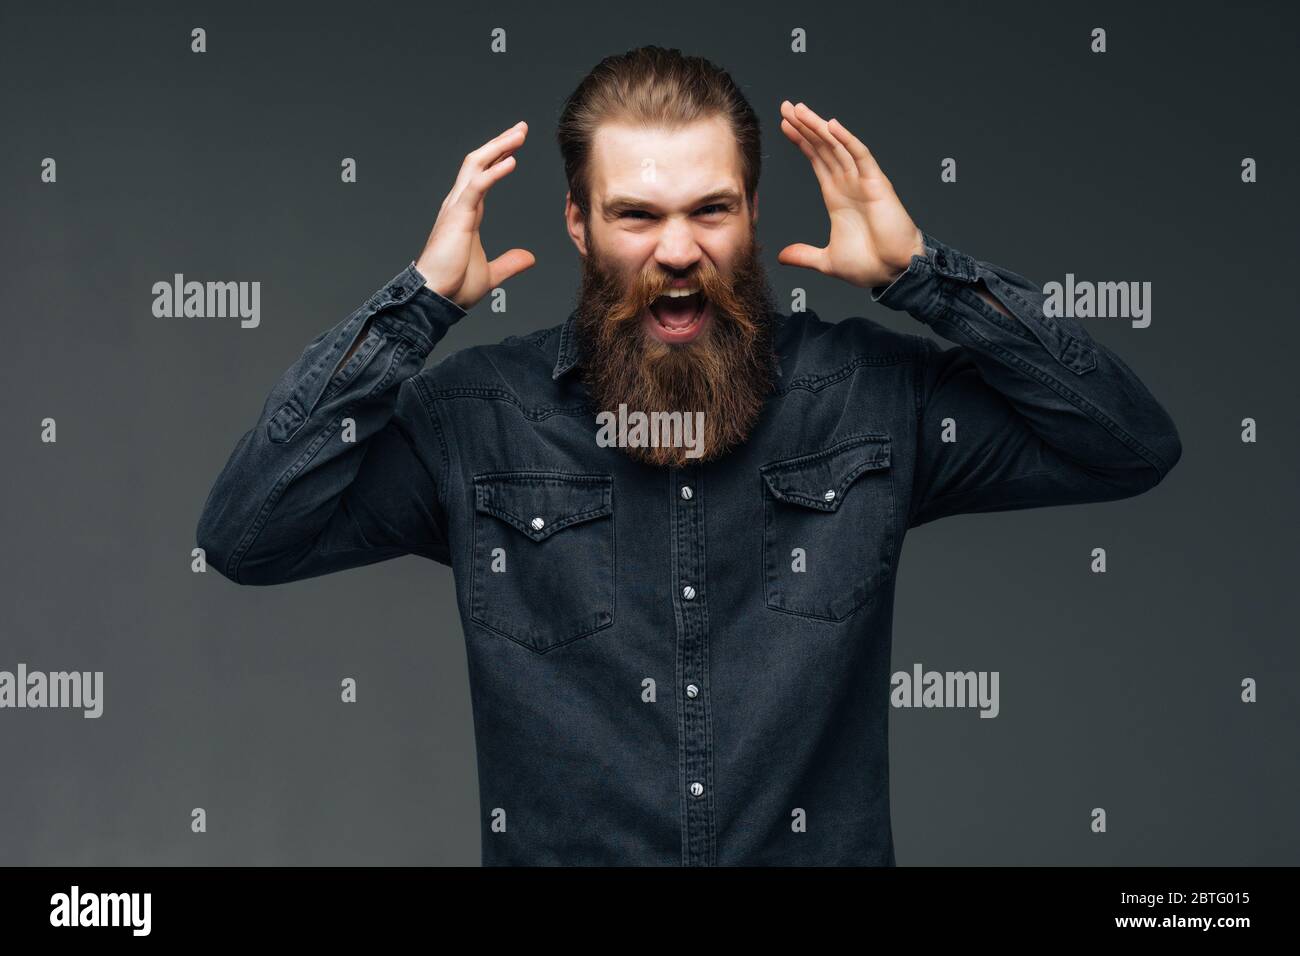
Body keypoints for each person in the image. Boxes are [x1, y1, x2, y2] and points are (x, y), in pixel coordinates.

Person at [195, 45, 1181, 865]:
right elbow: (247, 532)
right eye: (636, 215)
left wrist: (927, 279)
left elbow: (1128, 442)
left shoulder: (872, 396)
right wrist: (416, 306)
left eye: (710, 209)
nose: (676, 250)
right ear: (579, 224)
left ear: (752, 212)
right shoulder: (476, 416)